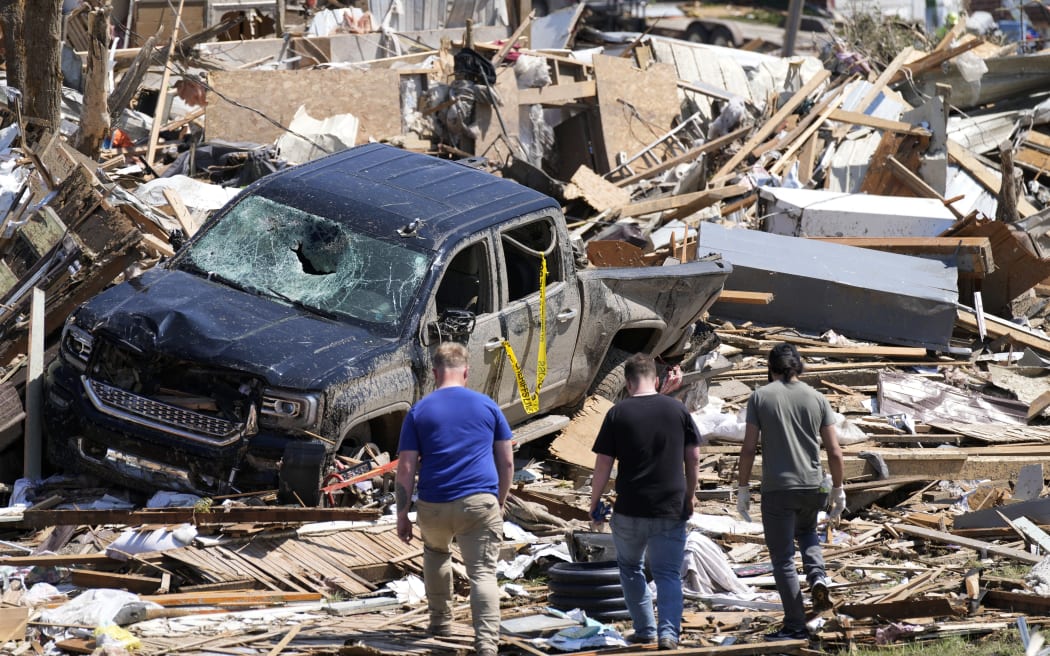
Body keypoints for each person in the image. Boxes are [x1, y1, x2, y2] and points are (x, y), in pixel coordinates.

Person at [395, 341, 514, 656]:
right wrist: (499, 502)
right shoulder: (488, 406)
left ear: (435, 373)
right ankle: (486, 644)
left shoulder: (419, 411)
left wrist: (402, 515)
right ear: (466, 371)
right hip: (478, 502)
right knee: (483, 574)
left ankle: (440, 622)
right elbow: (507, 462)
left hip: (434, 505)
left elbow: (406, 468)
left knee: (435, 553)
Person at [589, 353, 701, 651]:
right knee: (667, 574)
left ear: (627, 383)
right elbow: (693, 458)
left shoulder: (617, 413)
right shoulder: (677, 410)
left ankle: (644, 630)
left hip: (630, 509)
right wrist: (690, 496)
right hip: (670, 506)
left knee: (629, 568)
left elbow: (602, 465)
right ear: (656, 379)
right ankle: (668, 634)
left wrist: (595, 501)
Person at [736, 342, 846, 642]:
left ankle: (795, 625)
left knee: (783, 558)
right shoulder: (817, 397)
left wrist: (743, 488)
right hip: (814, 486)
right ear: (799, 366)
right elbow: (834, 451)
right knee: (808, 533)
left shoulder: (760, 397)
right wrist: (838, 489)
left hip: (778, 490)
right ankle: (818, 577)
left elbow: (748, 449)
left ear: (770, 368)